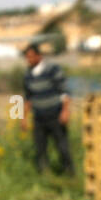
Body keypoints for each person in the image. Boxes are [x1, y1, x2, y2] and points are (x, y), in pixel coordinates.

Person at [22, 43, 74, 175]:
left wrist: (65, 110)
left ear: (39, 56)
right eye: (27, 57)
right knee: (40, 148)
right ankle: (44, 174)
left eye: (31, 56)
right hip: (39, 117)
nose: (29, 60)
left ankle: (69, 173)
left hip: (55, 115)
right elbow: (27, 98)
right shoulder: (28, 75)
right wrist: (22, 118)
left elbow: (64, 92)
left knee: (62, 147)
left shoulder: (53, 69)